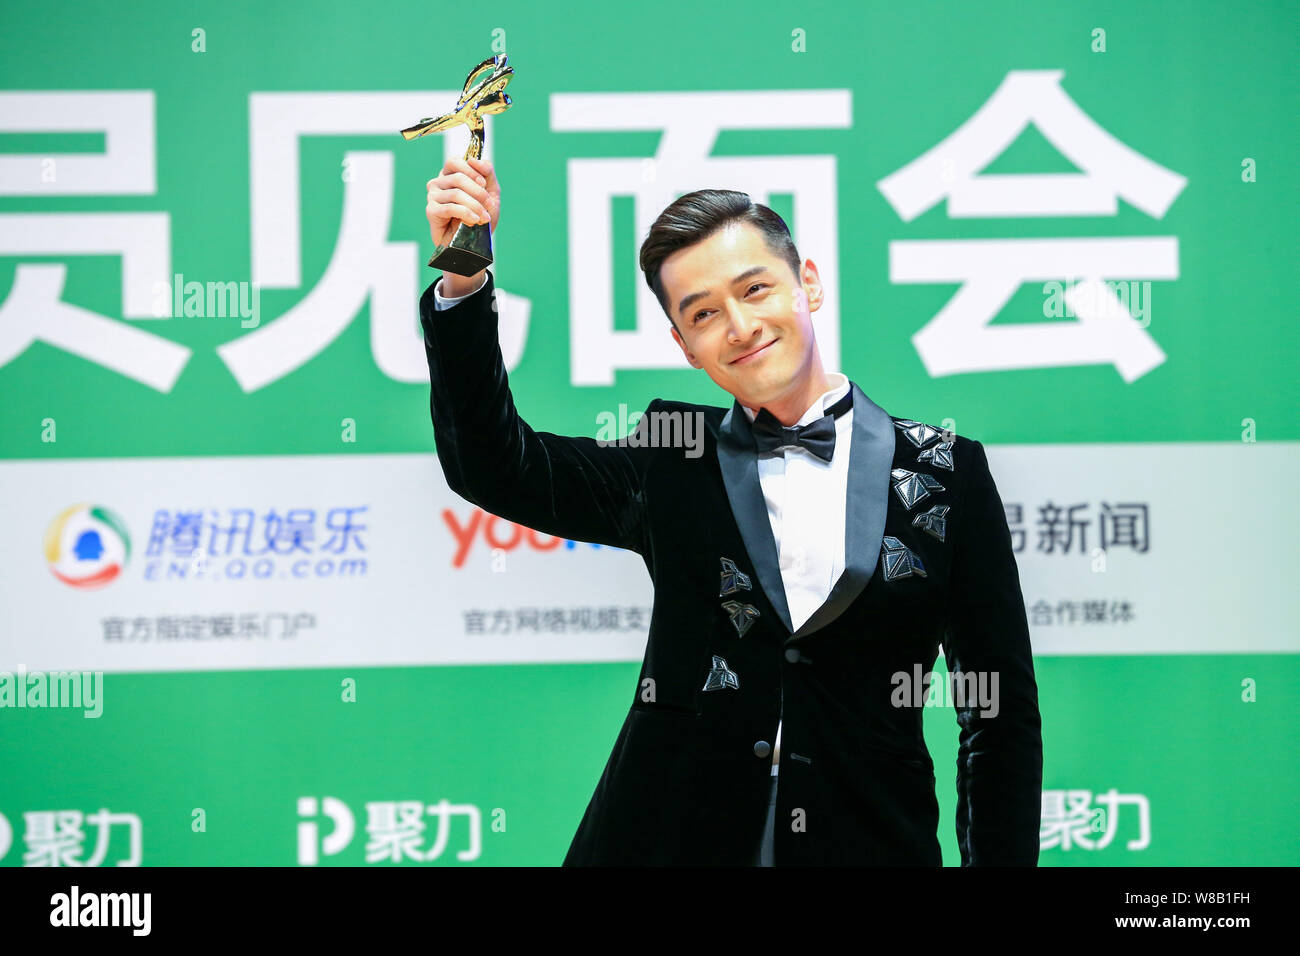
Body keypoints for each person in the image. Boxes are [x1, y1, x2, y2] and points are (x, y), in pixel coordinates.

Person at [420, 156, 1042, 866]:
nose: (740, 326)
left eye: (755, 290)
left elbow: (995, 713)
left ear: (807, 283)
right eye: (705, 313)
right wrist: (465, 271)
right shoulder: (674, 459)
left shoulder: (945, 471)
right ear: (684, 347)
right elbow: (497, 467)